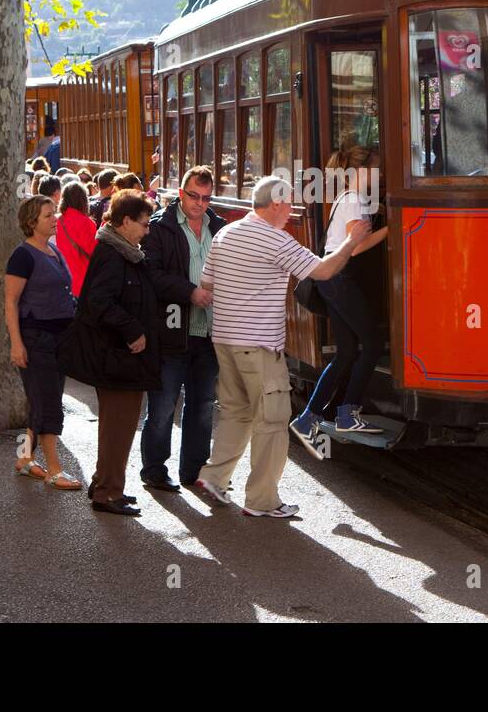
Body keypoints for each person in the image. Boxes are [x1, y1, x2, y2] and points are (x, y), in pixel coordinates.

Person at [194, 176, 370, 518]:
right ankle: (261, 501)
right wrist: (350, 241)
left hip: (225, 341)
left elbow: (206, 284)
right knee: (272, 420)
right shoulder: (275, 239)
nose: (291, 211)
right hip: (258, 345)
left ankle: (214, 477)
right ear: (275, 204)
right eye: (289, 203)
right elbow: (322, 271)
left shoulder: (226, 234)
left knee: (237, 412)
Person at [290, 147, 390, 451]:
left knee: (347, 351)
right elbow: (356, 247)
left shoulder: (347, 199)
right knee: (371, 344)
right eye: (376, 168)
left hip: (331, 279)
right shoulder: (354, 201)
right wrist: (391, 229)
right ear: (361, 172)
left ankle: (309, 418)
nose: (380, 174)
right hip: (340, 279)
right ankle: (347, 414)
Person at [75, 191, 163, 516]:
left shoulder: (121, 250)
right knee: (118, 426)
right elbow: (99, 301)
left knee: (119, 425)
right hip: (118, 357)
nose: (147, 230)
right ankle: (108, 492)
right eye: (143, 224)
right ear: (125, 222)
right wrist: (133, 329)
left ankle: (106, 484)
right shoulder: (114, 255)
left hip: (119, 356)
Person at [139, 165, 225, 492]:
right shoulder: (160, 227)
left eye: (205, 198)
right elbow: (152, 274)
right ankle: (154, 470)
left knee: (202, 407)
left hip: (209, 332)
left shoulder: (218, 227)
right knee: (162, 406)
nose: (199, 203)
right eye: (193, 196)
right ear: (180, 193)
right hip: (172, 329)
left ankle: (194, 472)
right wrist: (190, 292)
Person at [4, 195, 82, 491]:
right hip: (36, 338)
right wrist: (16, 344)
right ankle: (55, 469)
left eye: (54, 213)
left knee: (39, 402)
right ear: (31, 222)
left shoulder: (52, 249)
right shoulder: (22, 256)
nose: (55, 218)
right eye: (49, 215)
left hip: (58, 338)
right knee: (49, 405)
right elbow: (10, 302)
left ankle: (24, 459)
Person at [54, 179, 96, 296]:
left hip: (63, 280)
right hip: (84, 280)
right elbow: (94, 252)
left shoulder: (57, 221)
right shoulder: (86, 223)